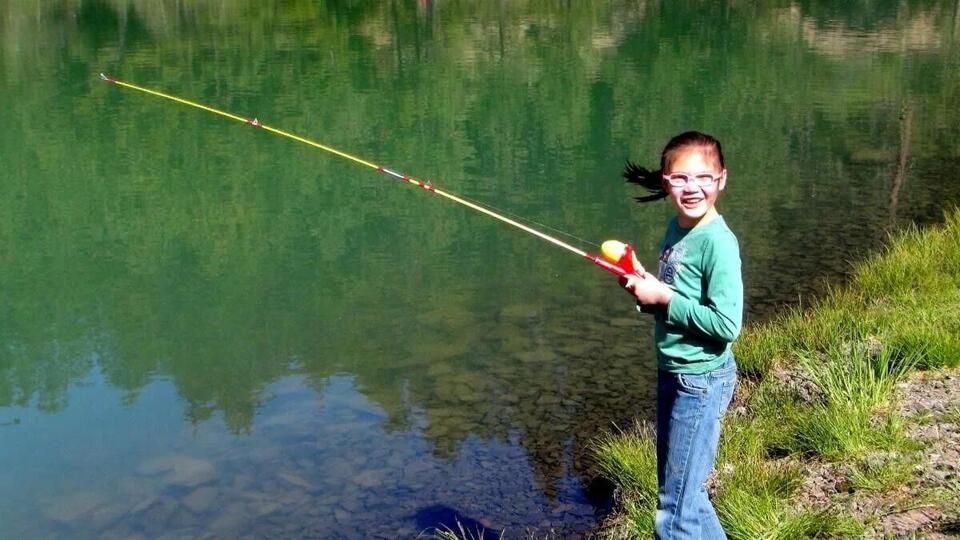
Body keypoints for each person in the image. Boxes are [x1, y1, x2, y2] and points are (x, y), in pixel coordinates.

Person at [621, 131, 743, 539]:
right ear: (665, 182)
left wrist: (665, 300)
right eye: (680, 179)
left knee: (673, 515)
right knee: (684, 495)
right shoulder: (678, 228)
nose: (692, 188)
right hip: (674, 372)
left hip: (701, 382)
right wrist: (643, 286)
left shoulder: (719, 244)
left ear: (721, 180)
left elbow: (727, 325)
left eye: (703, 178)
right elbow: (677, 293)